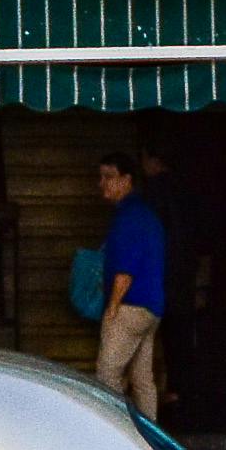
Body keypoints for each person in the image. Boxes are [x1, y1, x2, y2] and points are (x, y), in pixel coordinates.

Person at [90, 151, 169, 423]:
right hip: (151, 308)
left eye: (109, 177)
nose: (102, 183)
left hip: (129, 306)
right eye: (101, 177)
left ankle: (114, 432)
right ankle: (152, 441)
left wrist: (111, 309)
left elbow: (125, 271)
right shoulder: (146, 215)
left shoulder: (128, 217)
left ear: (127, 180)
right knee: (142, 379)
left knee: (106, 375)